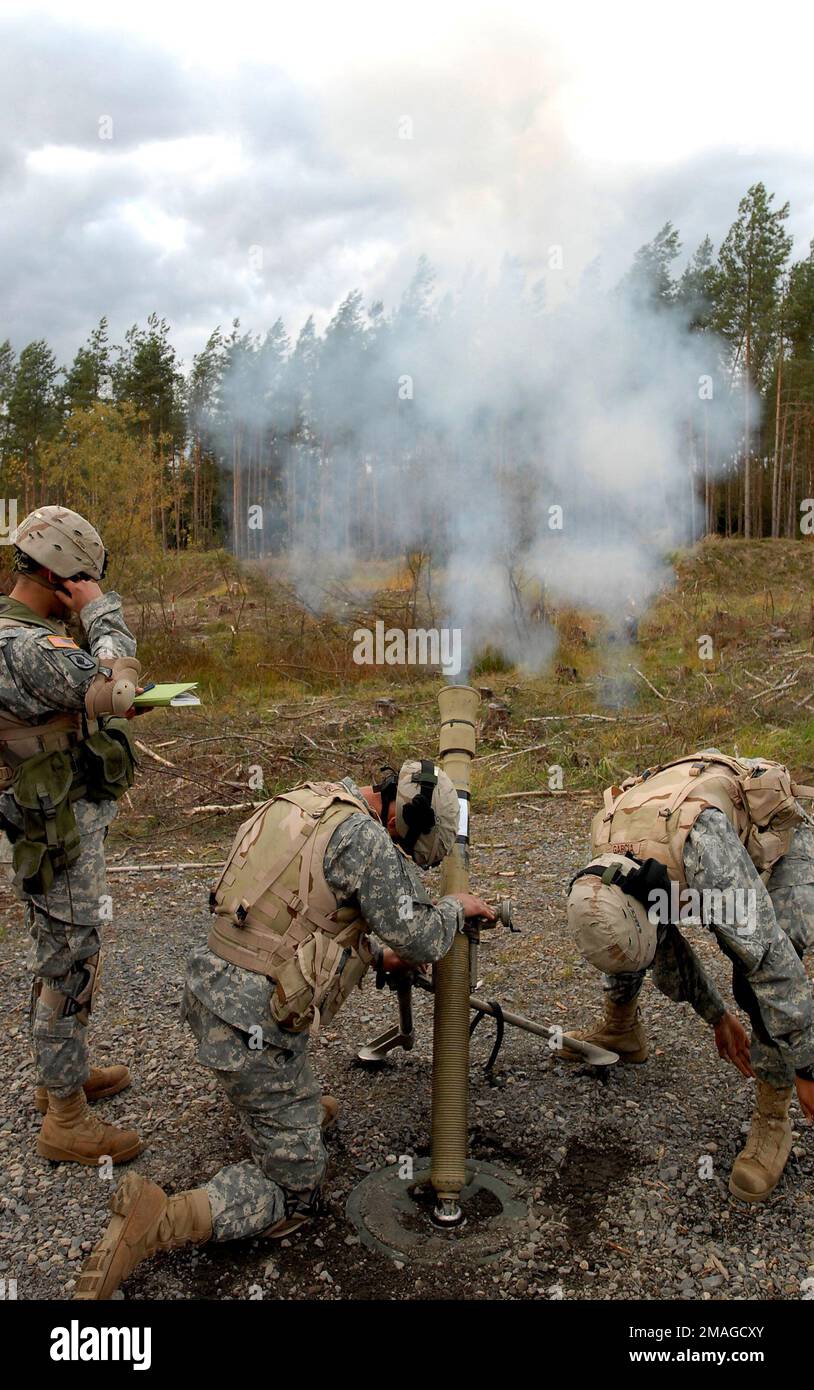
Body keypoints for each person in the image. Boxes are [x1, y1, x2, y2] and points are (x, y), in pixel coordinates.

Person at [75, 759, 495, 1299]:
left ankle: (281, 1110)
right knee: (296, 1193)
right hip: (251, 1029)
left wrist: (374, 954)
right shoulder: (367, 842)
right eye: (412, 852)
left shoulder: (311, 799)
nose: (406, 860)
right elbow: (421, 937)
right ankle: (157, 1220)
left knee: (294, 1103)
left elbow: (307, 909)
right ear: (403, 820)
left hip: (210, 993)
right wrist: (456, 909)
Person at [563, 750, 814, 1202]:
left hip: (778, 837)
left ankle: (774, 1117)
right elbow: (660, 945)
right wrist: (717, 1017)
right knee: (612, 937)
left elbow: (770, 964)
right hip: (677, 848)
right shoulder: (604, 858)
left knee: (760, 966)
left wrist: (808, 1066)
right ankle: (622, 1027)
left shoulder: (706, 855)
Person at [0, 506, 142, 1165]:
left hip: (42, 823)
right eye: (81, 579)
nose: (84, 590)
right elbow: (120, 691)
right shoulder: (34, 647)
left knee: (58, 952)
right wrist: (102, 610)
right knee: (70, 961)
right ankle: (64, 1119)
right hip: (58, 829)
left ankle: (62, 1076)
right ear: (61, 577)